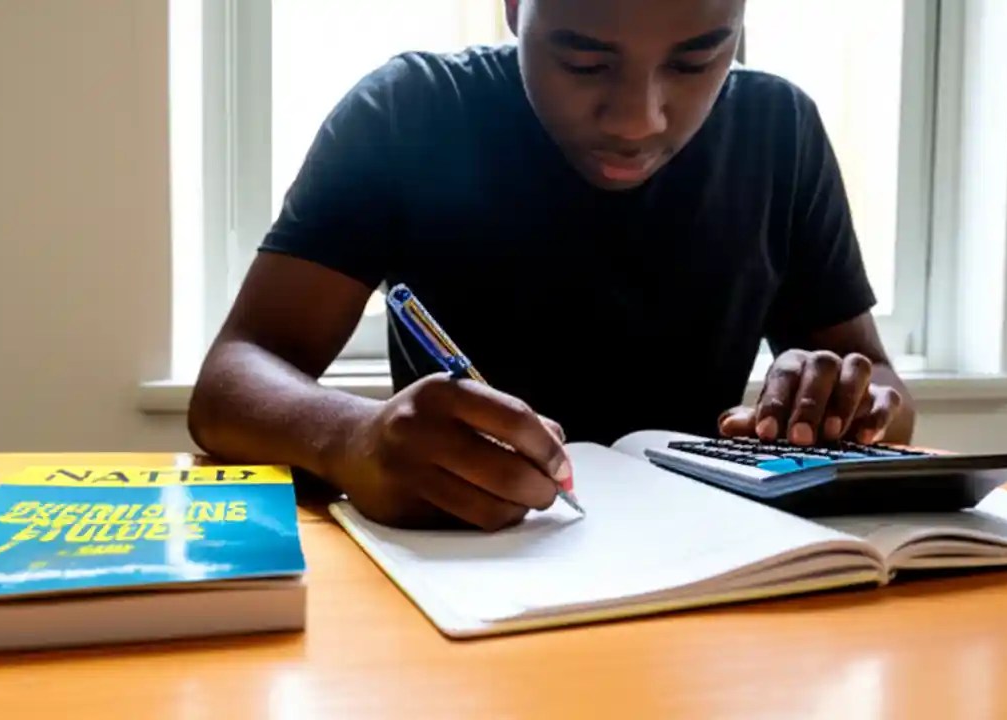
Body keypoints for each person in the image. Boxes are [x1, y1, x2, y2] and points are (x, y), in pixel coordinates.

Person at [187, 0, 916, 532]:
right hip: (469, 564)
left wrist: (853, 405)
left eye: (698, 61)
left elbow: (876, 377)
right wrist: (350, 437)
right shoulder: (409, 113)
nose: (640, 120)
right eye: (585, 61)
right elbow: (230, 381)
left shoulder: (779, 131)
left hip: (706, 572)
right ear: (513, 8)